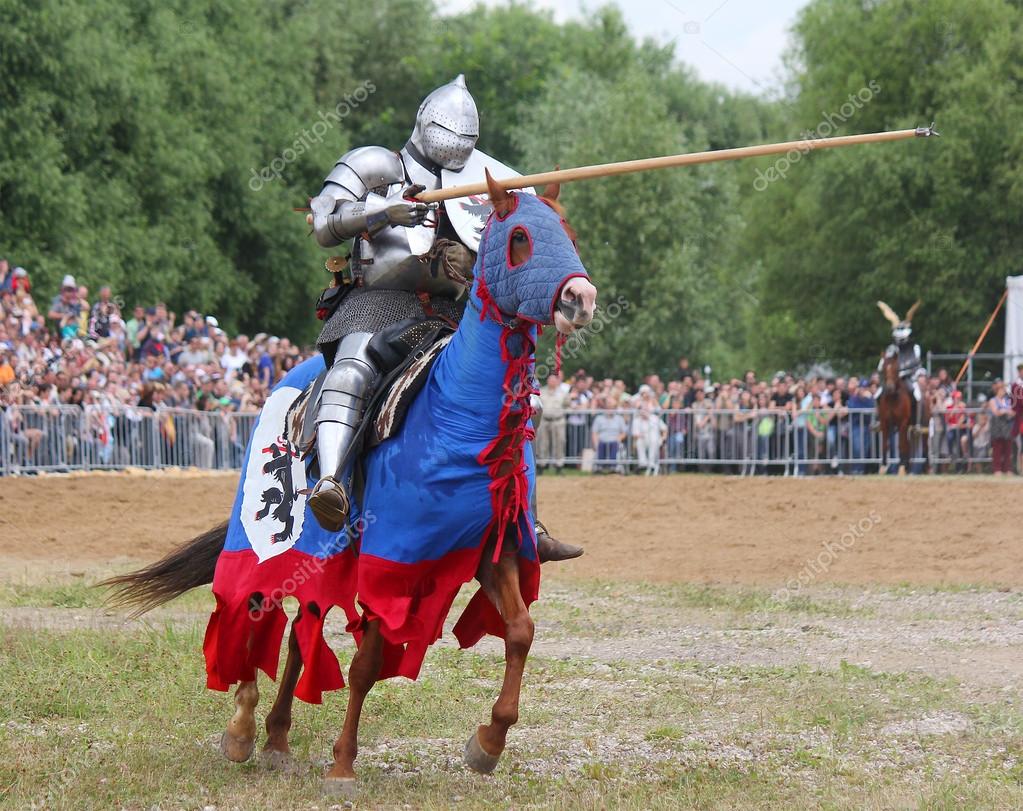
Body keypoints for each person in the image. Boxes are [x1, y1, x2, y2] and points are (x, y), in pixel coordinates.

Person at [305, 75, 579, 561]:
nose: (454, 149)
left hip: (453, 313)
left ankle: (525, 521)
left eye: (464, 143)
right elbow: (324, 223)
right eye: (447, 136)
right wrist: (382, 211)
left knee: (519, 400)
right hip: (381, 302)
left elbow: (507, 246)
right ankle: (331, 483)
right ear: (424, 123)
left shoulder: (485, 180)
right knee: (351, 370)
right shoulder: (374, 164)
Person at [536, 374, 569, 473]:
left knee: (560, 442)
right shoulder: (541, 391)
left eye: (554, 380)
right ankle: (542, 465)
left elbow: (568, 404)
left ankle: (559, 465)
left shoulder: (563, 393)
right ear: (547, 381)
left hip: (558, 420)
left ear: (557, 381)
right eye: (550, 380)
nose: (552, 382)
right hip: (544, 420)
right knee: (543, 443)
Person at [988, 380, 1016, 476]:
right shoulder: (992, 400)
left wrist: (1007, 411)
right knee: (997, 449)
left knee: (1008, 449)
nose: (1003, 391)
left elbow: (1013, 412)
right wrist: (1005, 411)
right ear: (997, 391)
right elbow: (996, 412)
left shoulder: (1007, 401)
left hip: (1007, 426)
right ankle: (997, 469)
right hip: (997, 426)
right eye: (1001, 390)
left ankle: (1008, 469)